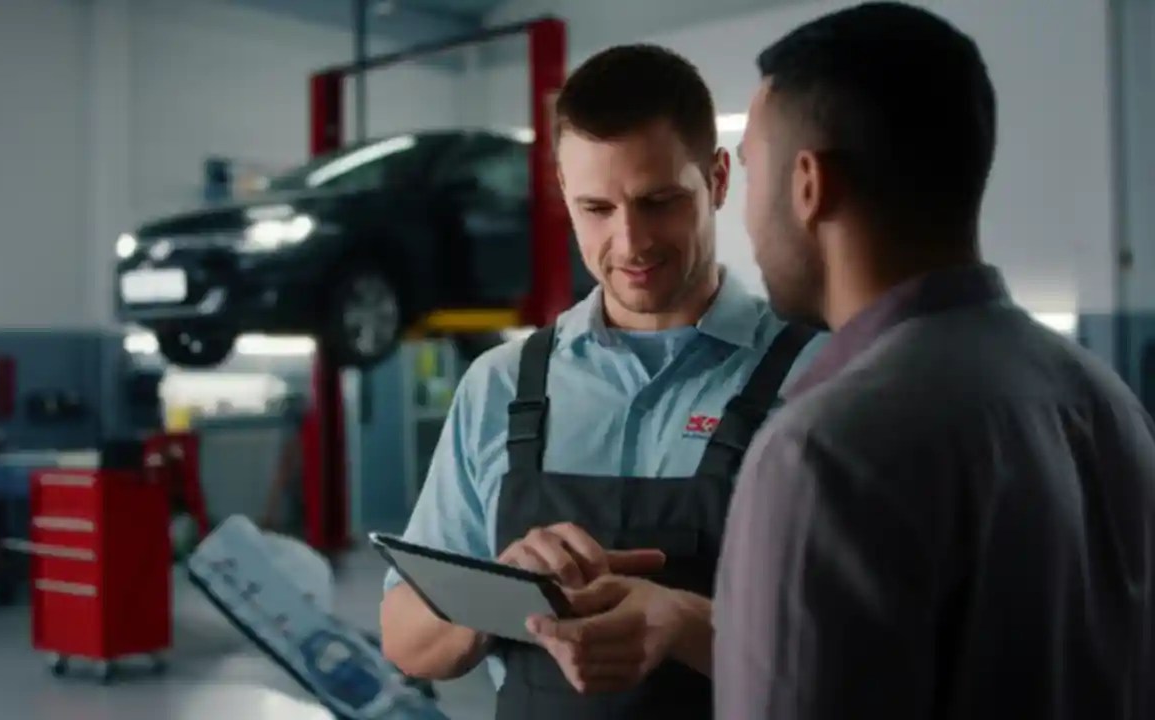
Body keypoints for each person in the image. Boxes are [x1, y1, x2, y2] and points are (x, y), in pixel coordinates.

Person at [714, 3, 1155, 719]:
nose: (746, 217)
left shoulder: (824, 450)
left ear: (808, 185)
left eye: (753, 176)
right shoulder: (1107, 403)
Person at [379, 44, 823, 717]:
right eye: (596, 208)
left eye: (659, 201)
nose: (630, 242)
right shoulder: (500, 386)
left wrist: (684, 623)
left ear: (719, 179)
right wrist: (499, 593)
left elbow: (866, 656)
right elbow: (405, 640)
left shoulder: (816, 380)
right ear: (562, 193)